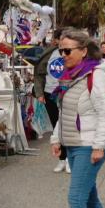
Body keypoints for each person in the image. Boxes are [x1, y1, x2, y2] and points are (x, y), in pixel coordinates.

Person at [41, 29, 105, 208]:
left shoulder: (97, 76)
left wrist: (99, 146)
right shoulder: (70, 76)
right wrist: (56, 138)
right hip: (73, 144)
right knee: (88, 195)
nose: (63, 55)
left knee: (76, 198)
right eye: (60, 50)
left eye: (67, 51)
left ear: (83, 51)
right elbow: (65, 112)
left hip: (88, 146)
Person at [34, 35, 70, 173]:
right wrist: (39, 93)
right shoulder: (49, 53)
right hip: (50, 94)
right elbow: (39, 74)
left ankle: (70, 159)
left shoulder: (72, 52)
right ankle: (62, 159)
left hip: (67, 93)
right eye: (58, 39)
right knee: (57, 127)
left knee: (68, 127)